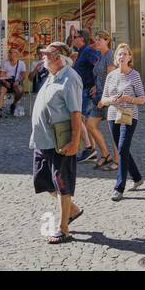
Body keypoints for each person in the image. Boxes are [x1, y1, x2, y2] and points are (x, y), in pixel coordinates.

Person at [29, 41, 84, 244]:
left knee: (62, 183)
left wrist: (74, 142)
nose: (43, 57)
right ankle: (73, 210)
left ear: (59, 58)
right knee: (44, 181)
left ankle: (64, 229)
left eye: (47, 54)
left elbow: (76, 113)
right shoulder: (52, 75)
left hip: (59, 141)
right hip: (43, 140)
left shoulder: (70, 78)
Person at [101, 43, 145, 201]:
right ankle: (137, 177)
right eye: (119, 54)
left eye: (125, 54)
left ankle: (119, 188)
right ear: (116, 57)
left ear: (129, 58)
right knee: (123, 149)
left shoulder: (135, 75)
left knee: (121, 148)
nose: (121, 57)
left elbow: (142, 99)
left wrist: (129, 98)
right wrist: (111, 99)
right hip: (113, 115)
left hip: (129, 115)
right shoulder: (111, 76)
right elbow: (103, 99)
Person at [73, 29, 107, 161]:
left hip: (87, 90)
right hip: (83, 90)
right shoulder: (82, 51)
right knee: (85, 121)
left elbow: (99, 65)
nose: (73, 39)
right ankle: (91, 150)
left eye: (75, 37)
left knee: (81, 119)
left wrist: (96, 85)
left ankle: (90, 149)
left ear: (81, 38)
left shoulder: (87, 51)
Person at [87, 32, 118, 170]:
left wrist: (105, 98)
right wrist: (95, 86)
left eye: (100, 40)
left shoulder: (110, 55)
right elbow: (101, 76)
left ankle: (117, 161)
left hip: (108, 97)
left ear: (107, 40)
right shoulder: (100, 56)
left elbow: (111, 78)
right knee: (90, 124)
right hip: (98, 95)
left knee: (112, 130)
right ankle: (106, 155)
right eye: (96, 40)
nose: (97, 42)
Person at [0, 43, 27, 116]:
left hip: (15, 82)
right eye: (9, 52)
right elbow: (1, 75)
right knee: (2, 91)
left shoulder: (21, 63)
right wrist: (4, 82)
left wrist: (18, 81)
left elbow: (23, 75)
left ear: (16, 54)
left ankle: (14, 104)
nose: (9, 54)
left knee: (20, 90)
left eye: (10, 52)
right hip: (5, 81)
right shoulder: (5, 63)